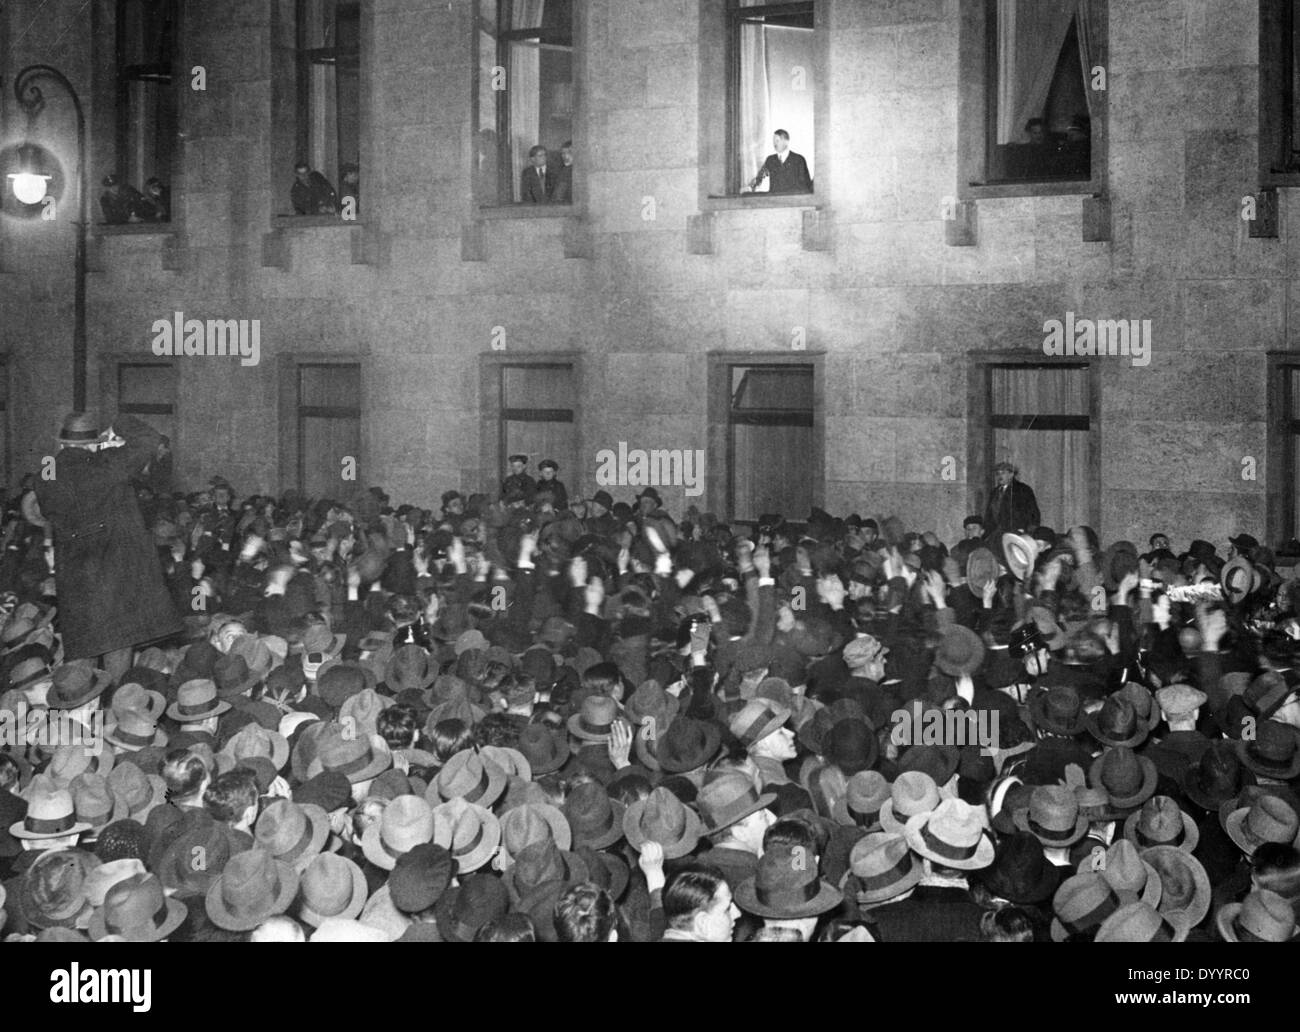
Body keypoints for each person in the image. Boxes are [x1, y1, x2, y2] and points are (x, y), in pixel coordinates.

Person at [34, 413, 182, 681]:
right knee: (117, 644)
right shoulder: (108, 465)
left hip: (74, 577)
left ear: (62, 442)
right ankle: (113, 706)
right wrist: (119, 425)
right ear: (93, 442)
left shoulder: (46, 473)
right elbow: (149, 439)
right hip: (112, 573)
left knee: (81, 650)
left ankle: (78, 707)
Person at [982, 461, 1040, 541]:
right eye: (997, 473)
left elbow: (1033, 512)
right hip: (996, 535)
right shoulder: (995, 492)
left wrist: (1027, 531)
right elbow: (989, 514)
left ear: (1011, 474)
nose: (999, 476)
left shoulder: (1022, 489)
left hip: (1017, 533)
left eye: (1003, 473)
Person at [748, 130, 813, 195]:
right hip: (774, 201)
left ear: (786, 142)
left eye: (777, 141)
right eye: (773, 141)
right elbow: (760, 177)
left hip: (793, 201)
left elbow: (805, 185)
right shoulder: (770, 160)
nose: (774, 144)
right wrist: (751, 186)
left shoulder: (799, 160)